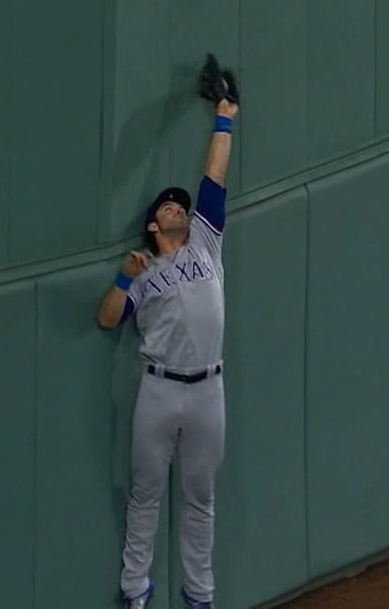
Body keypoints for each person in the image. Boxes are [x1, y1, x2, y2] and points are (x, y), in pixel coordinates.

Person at [96, 94, 239, 609]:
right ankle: (136, 592)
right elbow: (107, 317)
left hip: (208, 389)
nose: (179, 207)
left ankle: (200, 597)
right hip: (158, 389)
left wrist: (225, 116)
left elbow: (214, 176)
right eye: (169, 206)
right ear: (155, 225)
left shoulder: (206, 244)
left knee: (201, 499)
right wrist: (123, 277)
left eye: (182, 205)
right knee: (146, 494)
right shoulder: (143, 268)